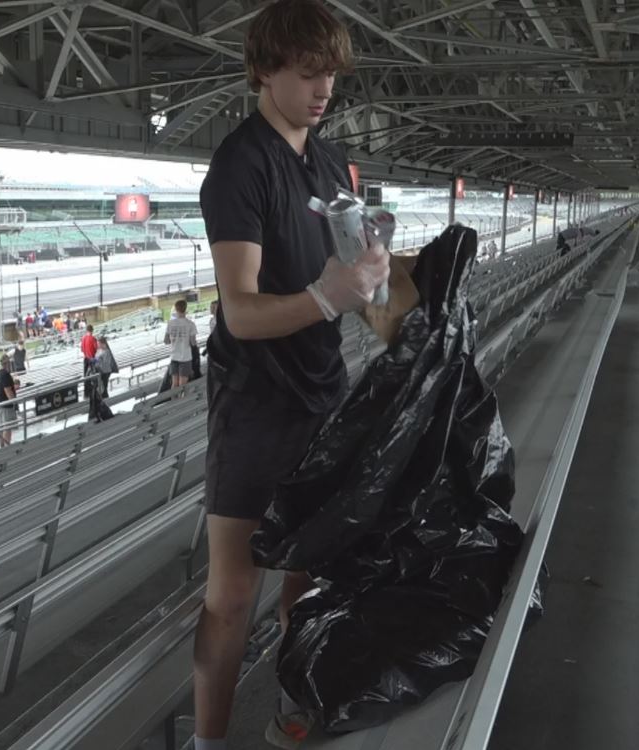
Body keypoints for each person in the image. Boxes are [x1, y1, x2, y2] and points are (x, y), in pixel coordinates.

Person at [192, 1, 390, 747]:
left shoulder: (331, 159)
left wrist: (381, 287)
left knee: (308, 577)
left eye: (330, 75)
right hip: (255, 406)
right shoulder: (239, 167)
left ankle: (293, 709)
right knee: (231, 596)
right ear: (264, 69)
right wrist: (325, 296)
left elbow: (351, 264)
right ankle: (210, 739)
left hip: (322, 390)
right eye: (307, 74)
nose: (322, 89)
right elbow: (240, 312)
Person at [165, 299, 198, 390]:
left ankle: (173, 402)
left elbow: (166, 341)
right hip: (185, 357)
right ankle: (181, 401)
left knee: (174, 384)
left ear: (176, 309)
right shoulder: (190, 324)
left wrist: (175, 339)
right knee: (183, 385)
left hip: (174, 356)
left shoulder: (170, 323)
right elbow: (193, 343)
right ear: (185, 308)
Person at [0, 353, 18, 447]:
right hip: (6, 405)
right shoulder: (6, 375)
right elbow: (7, 390)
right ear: (7, 364)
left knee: (2, 427)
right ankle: (6, 448)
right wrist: (14, 402)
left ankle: (2, 447)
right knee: (7, 428)